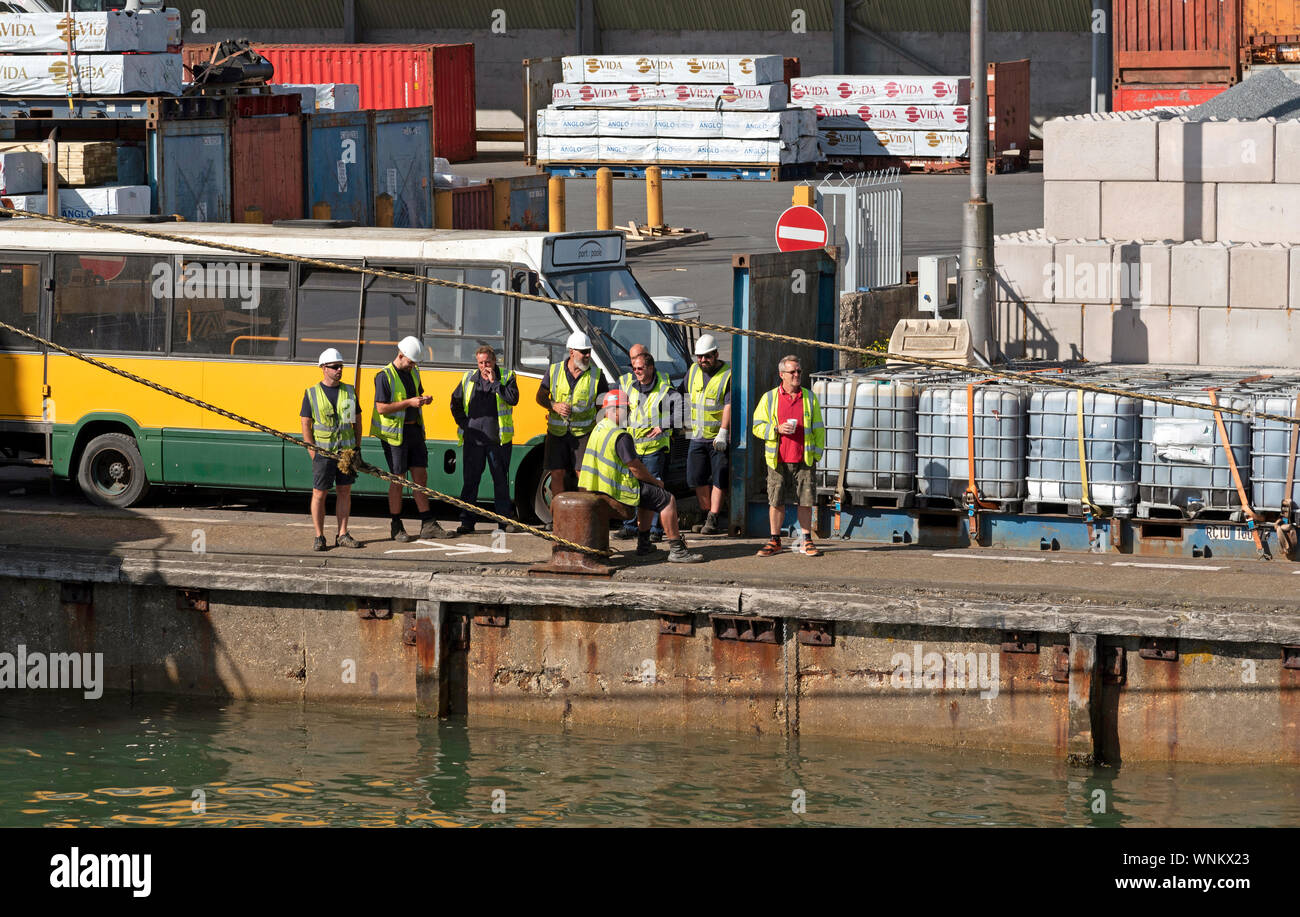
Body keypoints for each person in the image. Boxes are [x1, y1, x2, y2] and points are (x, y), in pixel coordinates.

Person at [578, 390, 703, 563]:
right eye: (626, 410)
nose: (628, 414)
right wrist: (656, 482)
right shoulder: (620, 435)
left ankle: (644, 545)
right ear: (616, 410)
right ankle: (677, 551)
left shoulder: (599, 428)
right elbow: (635, 468)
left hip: (598, 488)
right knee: (667, 499)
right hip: (618, 492)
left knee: (649, 496)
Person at [371, 335, 450, 542]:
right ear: (400, 355)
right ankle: (396, 525)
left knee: (420, 477)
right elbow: (381, 407)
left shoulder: (413, 372)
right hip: (395, 436)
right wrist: (409, 403)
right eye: (410, 361)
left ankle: (428, 523)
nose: (413, 365)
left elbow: (416, 396)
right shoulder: (384, 376)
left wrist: (424, 400)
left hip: (414, 431)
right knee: (398, 479)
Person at [751, 354, 826, 557]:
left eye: (798, 371)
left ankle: (806, 540)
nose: (796, 375)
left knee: (806, 500)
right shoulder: (769, 398)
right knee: (775, 500)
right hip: (777, 459)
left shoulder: (809, 397)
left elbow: (819, 428)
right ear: (781, 374)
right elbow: (757, 427)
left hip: (804, 459)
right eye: (792, 372)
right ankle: (775, 540)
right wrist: (776, 429)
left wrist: (817, 455)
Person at [451, 345, 520, 535]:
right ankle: (467, 521)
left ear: (494, 361)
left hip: (497, 441)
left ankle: (503, 521)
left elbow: (513, 399)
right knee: (470, 482)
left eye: (487, 362)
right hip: (474, 441)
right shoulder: (468, 378)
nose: (484, 366)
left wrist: (494, 382)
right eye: (481, 363)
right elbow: (455, 403)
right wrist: (465, 424)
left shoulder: (506, 377)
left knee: (500, 481)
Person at [535, 330, 608, 510]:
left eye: (589, 351)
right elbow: (540, 396)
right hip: (557, 432)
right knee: (557, 473)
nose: (588, 355)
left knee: (583, 475)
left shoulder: (597, 375)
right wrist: (554, 405)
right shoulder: (554, 370)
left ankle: (584, 517)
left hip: (584, 434)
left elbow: (603, 406)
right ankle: (559, 519)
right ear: (571, 352)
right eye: (583, 352)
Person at [299, 348, 363, 552]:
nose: (339, 370)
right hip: (323, 454)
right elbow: (305, 424)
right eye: (335, 367)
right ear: (323, 368)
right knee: (319, 493)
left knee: (345, 491)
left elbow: (357, 422)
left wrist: (356, 448)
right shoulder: (311, 393)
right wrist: (313, 452)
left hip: (346, 453)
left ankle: (342, 534)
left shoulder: (350, 391)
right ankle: (319, 536)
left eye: (341, 366)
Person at [612, 349, 671, 543]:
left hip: (654, 448)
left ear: (651, 368)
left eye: (640, 368)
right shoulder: (629, 385)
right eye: (634, 368)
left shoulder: (663, 388)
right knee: (631, 486)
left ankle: (655, 529)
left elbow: (682, 410)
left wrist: (663, 425)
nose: (636, 372)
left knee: (653, 487)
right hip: (634, 448)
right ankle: (630, 526)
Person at [680, 334, 731, 535]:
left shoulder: (727, 374)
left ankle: (713, 517)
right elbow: (681, 394)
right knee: (697, 478)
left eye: (707, 357)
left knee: (719, 477)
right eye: (699, 357)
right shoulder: (692, 371)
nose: (702, 361)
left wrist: (723, 432)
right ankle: (705, 514)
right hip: (696, 435)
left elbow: (729, 404)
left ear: (716, 354)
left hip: (717, 438)